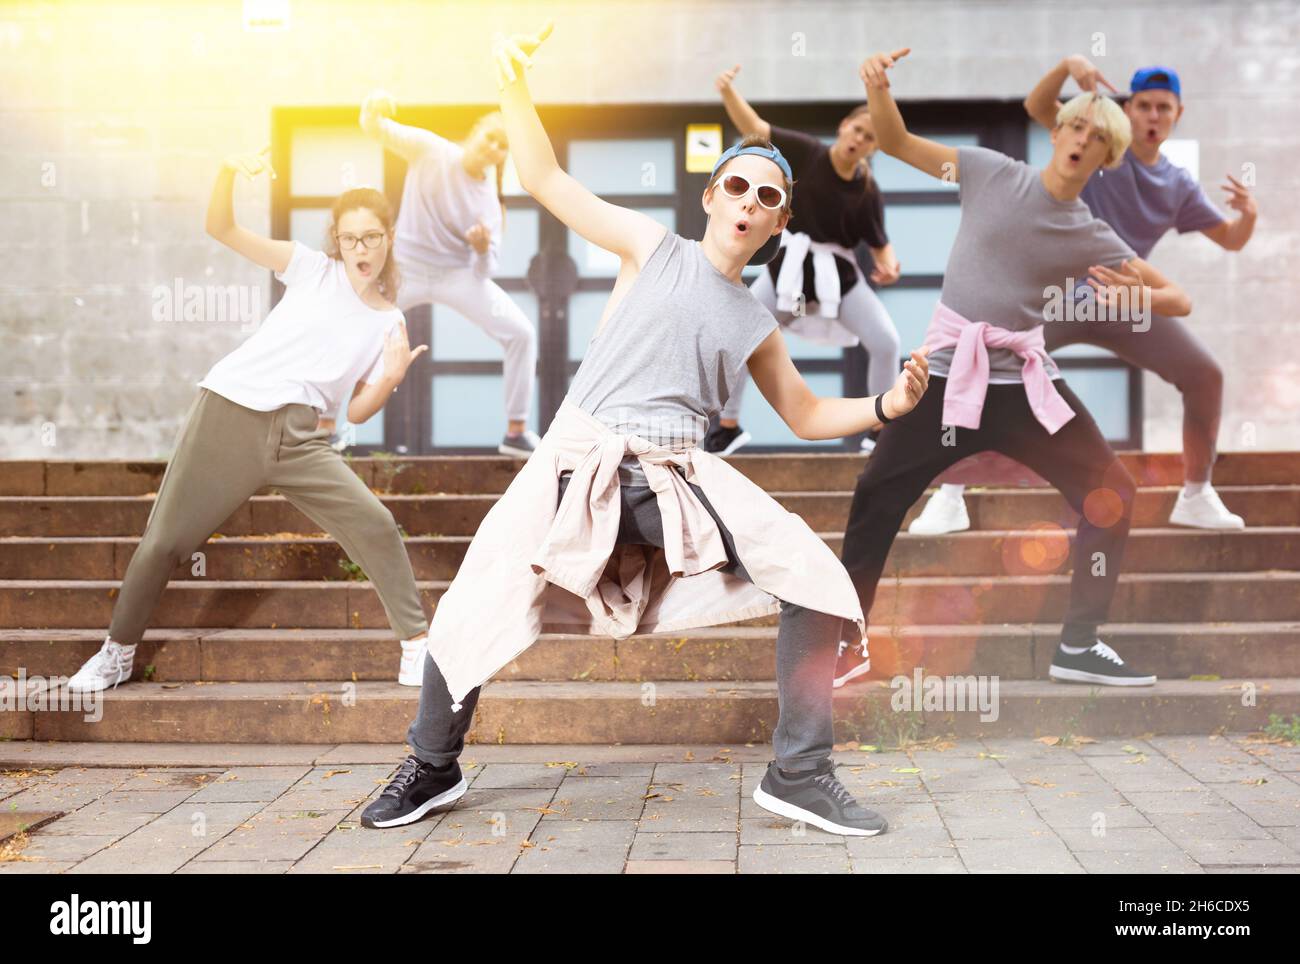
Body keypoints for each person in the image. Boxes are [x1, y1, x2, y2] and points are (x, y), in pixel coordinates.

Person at [361, 23, 931, 837]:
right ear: (712, 197)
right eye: (738, 186)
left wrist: (886, 407)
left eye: (768, 197)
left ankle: (800, 773)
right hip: (577, 455)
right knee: (474, 598)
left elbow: (805, 414)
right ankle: (432, 765)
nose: (750, 202)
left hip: (678, 474)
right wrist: (512, 84)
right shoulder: (650, 246)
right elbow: (544, 177)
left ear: (779, 222)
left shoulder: (753, 320)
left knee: (813, 573)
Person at [836, 47, 1194, 690]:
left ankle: (1079, 645)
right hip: (947, 375)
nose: (1081, 140)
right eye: (1074, 127)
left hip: (1026, 387)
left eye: (1096, 136)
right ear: (1055, 132)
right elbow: (894, 141)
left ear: (1110, 155)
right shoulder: (988, 171)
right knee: (875, 494)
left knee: (1113, 494)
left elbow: (1179, 298)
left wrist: (1133, 296)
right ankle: (845, 643)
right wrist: (879, 89)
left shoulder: (1089, 233)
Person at [68, 148, 433, 692]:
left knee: (375, 522)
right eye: (350, 238)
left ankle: (416, 648)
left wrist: (391, 377)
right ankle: (116, 654)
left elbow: (355, 409)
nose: (361, 249)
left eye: (371, 237)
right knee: (165, 542)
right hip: (230, 413)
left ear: (390, 237)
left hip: (300, 438)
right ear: (337, 240)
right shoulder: (312, 269)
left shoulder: (389, 321)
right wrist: (227, 170)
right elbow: (222, 228)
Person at [911, 59, 1258, 535]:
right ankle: (950, 495)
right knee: (986, 360)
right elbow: (1038, 106)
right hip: (1057, 297)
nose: (1153, 116)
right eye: (1144, 106)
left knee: (1204, 373)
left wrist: (1248, 216)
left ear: (1178, 113)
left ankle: (1196, 495)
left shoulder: (1178, 184)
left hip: (1124, 300)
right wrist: (1067, 66)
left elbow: (1231, 239)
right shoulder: (1100, 146)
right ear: (1127, 111)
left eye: (1164, 108)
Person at [705, 64, 903, 456]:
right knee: (739, 334)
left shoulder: (867, 190)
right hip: (787, 273)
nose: (859, 139)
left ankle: (881, 432)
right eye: (857, 130)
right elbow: (756, 128)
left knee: (886, 342)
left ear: (874, 148)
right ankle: (726, 428)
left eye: (869, 138)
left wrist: (891, 268)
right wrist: (727, 91)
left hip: (838, 279)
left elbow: (882, 246)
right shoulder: (808, 152)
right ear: (844, 126)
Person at [359, 92, 541, 457]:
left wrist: (480, 249)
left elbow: (486, 270)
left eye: (503, 147)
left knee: (522, 333)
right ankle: (325, 425)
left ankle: (516, 433)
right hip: (407, 269)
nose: (493, 148)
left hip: (457, 276)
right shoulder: (430, 150)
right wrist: (373, 107)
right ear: (475, 132)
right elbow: (375, 129)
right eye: (491, 138)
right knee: (349, 322)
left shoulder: (489, 201)